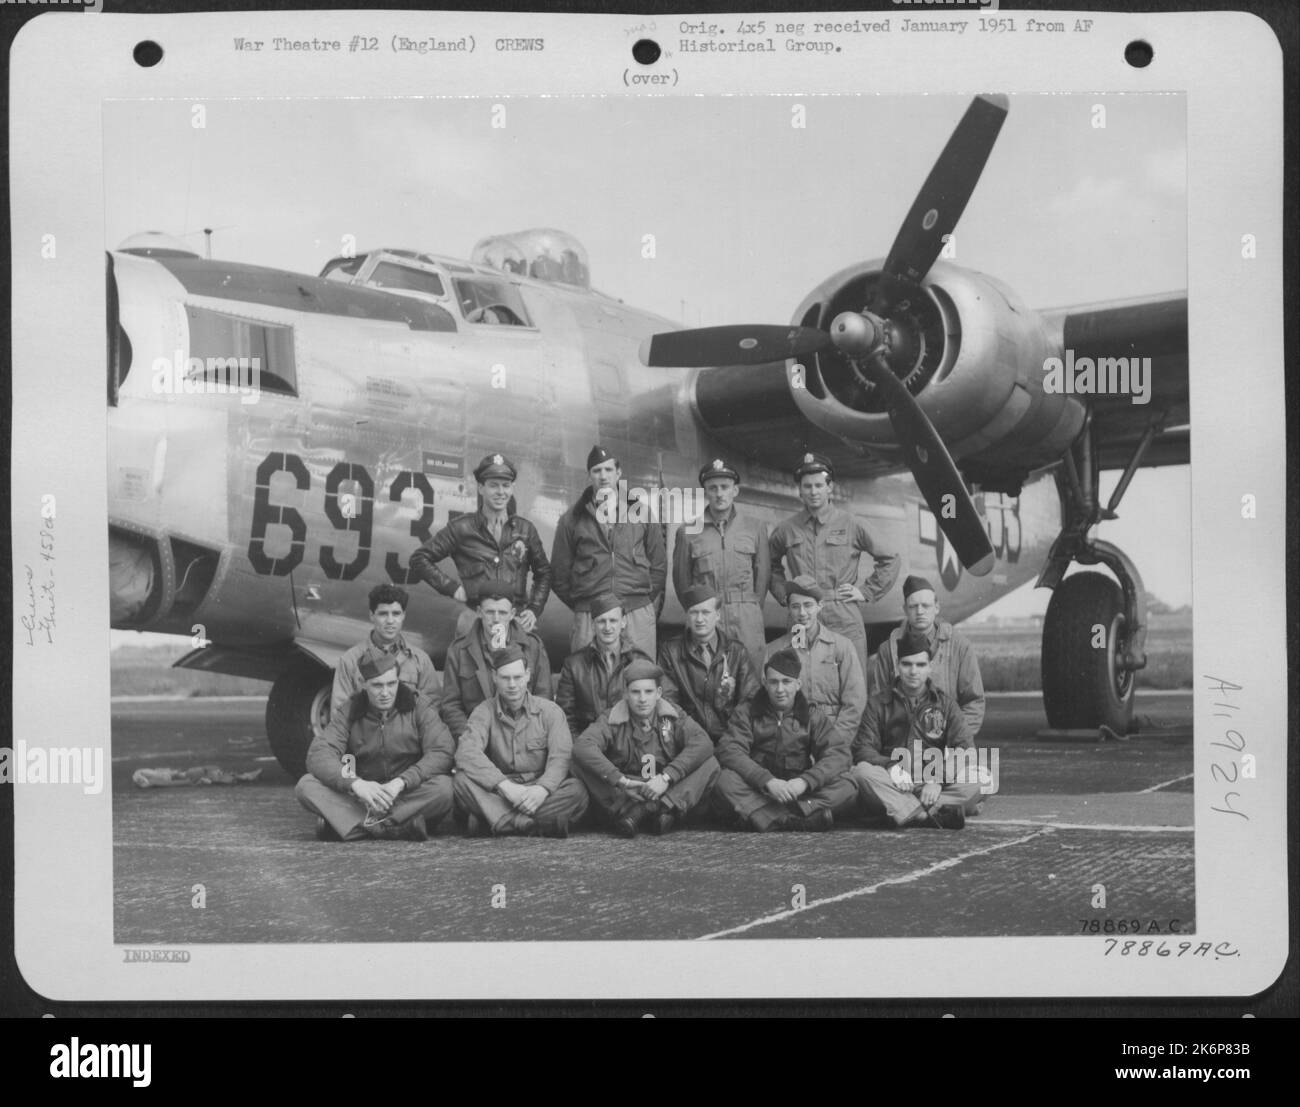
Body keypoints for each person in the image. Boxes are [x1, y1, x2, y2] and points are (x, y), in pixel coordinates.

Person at [296, 653, 455, 841]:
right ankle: (398, 828)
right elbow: (319, 753)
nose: (386, 692)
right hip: (364, 798)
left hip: (405, 792)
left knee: (445, 788)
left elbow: (442, 751)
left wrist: (402, 782)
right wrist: (356, 784)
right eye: (377, 685)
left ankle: (357, 826)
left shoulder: (418, 705)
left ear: (398, 680)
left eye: (391, 684)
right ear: (363, 684)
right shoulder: (350, 709)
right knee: (306, 786)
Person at [769, 452, 899, 675]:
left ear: (830, 487)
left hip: (842, 614)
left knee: (851, 676)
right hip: (802, 616)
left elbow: (890, 558)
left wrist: (866, 592)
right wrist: (784, 595)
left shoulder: (851, 523)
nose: (813, 491)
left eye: (819, 485)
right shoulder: (786, 529)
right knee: (800, 674)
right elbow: (770, 564)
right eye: (807, 486)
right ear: (799, 490)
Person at [409, 452, 551, 638]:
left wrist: (534, 609)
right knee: (470, 663)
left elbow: (544, 573)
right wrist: (452, 588)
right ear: (481, 488)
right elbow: (419, 559)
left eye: (506, 486)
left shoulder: (526, 530)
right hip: (476, 619)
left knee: (514, 665)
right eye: (493, 485)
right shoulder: (462, 528)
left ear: (512, 488)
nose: (501, 492)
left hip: (512, 619)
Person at [453, 644, 589, 838]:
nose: (512, 685)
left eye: (517, 677)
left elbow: (561, 757)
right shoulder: (484, 711)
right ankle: (530, 824)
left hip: (537, 791)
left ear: (527, 675)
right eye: (505, 678)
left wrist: (542, 789)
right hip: (500, 789)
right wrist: (504, 786)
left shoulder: (550, 711)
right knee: (461, 781)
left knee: (577, 791)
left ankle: (495, 819)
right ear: (494, 677)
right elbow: (466, 752)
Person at [714, 648, 856, 831]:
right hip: (760, 790)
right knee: (723, 779)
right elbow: (729, 749)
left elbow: (839, 754)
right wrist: (767, 781)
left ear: (798, 684)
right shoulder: (748, 711)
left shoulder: (812, 715)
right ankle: (798, 820)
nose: (780, 689)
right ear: (764, 683)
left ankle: (771, 818)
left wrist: (804, 782)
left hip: (797, 793)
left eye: (786, 682)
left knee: (848, 784)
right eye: (773, 682)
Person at [573, 659, 719, 837]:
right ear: (626, 693)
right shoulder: (611, 718)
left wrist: (666, 778)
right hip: (628, 790)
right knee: (576, 762)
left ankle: (656, 807)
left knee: (710, 762)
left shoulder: (672, 715)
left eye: (648, 692)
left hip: (664, 787)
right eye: (635, 692)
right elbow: (583, 745)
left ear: (658, 693)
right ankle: (630, 812)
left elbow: (703, 742)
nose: (642, 699)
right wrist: (621, 781)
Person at [851, 633, 981, 830]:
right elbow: (862, 748)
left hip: (930, 782)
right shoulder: (878, 703)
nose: (913, 671)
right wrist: (892, 767)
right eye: (907, 664)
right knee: (861, 772)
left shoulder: (945, 704)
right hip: (894, 782)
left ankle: (902, 810)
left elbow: (964, 748)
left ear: (930, 667)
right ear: (897, 666)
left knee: (981, 779)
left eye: (920, 665)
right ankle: (928, 815)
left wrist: (937, 780)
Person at [550, 444, 666, 658]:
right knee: (588, 679)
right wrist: (586, 605)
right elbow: (558, 575)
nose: (603, 476)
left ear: (618, 473)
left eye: (608, 470)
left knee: (639, 678)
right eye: (596, 471)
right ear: (589, 475)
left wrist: (641, 601)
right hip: (591, 616)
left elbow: (659, 565)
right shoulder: (571, 519)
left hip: (636, 613)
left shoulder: (642, 513)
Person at [672, 458, 770, 670]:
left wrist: (748, 608)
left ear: (735, 490)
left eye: (725, 487)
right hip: (708, 617)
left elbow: (762, 579)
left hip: (746, 618)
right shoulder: (688, 532)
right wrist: (703, 610)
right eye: (713, 488)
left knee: (751, 677)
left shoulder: (755, 528)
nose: (719, 493)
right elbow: (682, 584)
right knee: (709, 675)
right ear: (705, 492)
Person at [868, 574, 986, 737]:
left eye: (926, 605)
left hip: (946, 742)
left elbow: (973, 702)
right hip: (901, 742)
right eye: (913, 606)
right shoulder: (888, 649)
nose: (920, 612)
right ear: (904, 610)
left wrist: (955, 738)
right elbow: (878, 703)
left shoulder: (960, 647)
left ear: (937, 607)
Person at [438, 581, 551, 741]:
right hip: (476, 737)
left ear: (512, 614)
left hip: (523, 739)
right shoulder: (459, 650)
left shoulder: (532, 646)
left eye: (502, 613)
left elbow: (543, 697)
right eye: (490, 612)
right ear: (478, 612)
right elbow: (451, 706)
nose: (496, 619)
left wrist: (525, 736)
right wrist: (472, 738)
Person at [763, 576, 865, 746]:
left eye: (808, 605)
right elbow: (766, 703)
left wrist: (833, 743)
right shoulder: (774, 651)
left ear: (820, 606)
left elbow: (855, 703)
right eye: (795, 607)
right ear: (788, 609)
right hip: (790, 738)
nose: (802, 613)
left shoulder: (842, 647)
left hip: (834, 735)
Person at [656, 585, 759, 744]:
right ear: (687, 616)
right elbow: (669, 702)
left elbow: (749, 700)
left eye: (705, 612)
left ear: (717, 615)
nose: (699, 619)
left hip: (730, 739)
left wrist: (733, 737)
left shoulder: (736, 652)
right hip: (689, 739)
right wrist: (692, 736)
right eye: (694, 612)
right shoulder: (670, 651)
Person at [331, 584, 440, 718]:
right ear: (372, 615)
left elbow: (432, 711)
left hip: (409, 737)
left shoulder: (420, 660)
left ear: (404, 615)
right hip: (364, 737)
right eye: (383, 614)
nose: (390, 621)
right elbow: (339, 714)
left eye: (396, 614)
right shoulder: (350, 660)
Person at [555, 593, 652, 737]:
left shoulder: (641, 661)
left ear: (623, 622)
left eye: (613, 620)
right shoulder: (574, 665)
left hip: (631, 745)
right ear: (593, 624)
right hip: (589, 744)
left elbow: (655, 712)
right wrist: (582, 747)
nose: (608, 627)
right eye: (601, 621)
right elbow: (565, 717)